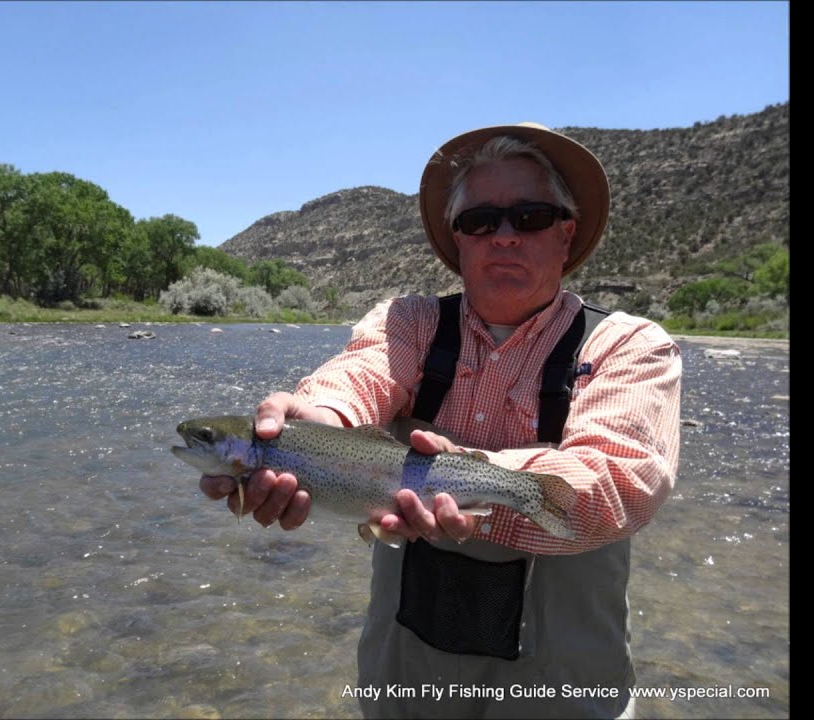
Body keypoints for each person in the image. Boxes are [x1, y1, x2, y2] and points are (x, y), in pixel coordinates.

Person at [198, 122, 681, 718]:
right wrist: (313, 426)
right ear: (459, 241)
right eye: (480, 221)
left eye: (529, 217)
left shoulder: (629, 346)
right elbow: (360, 376)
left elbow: (621, 482)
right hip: (408, 673)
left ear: (566, 233)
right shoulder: (411, 324)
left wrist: (480, 482)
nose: (503, 236)